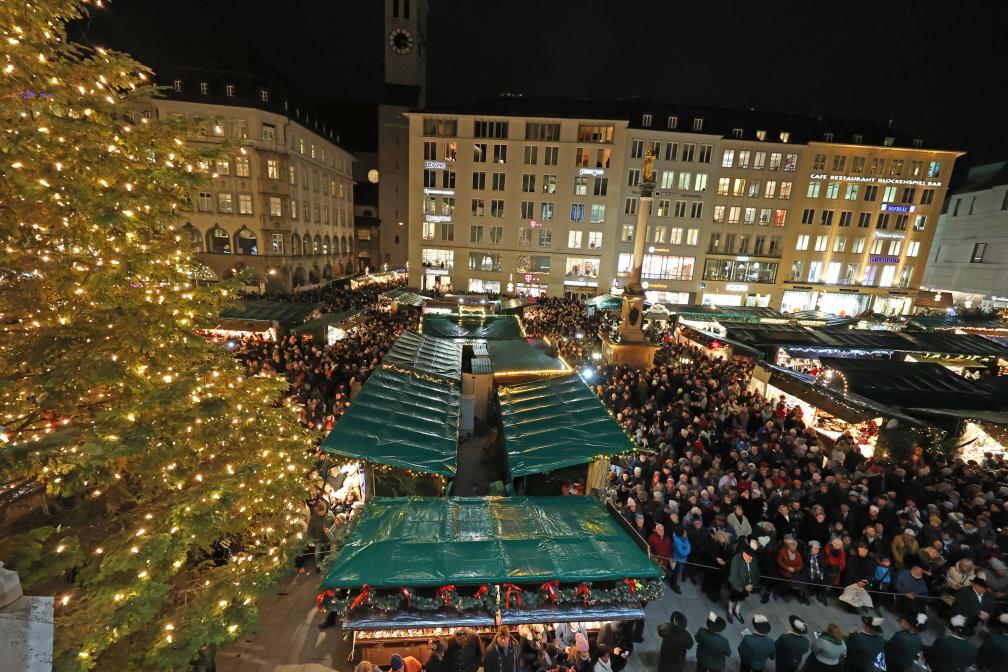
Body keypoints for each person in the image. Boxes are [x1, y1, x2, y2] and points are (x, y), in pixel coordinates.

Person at [728, 545, 760, 624]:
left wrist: (752, 584)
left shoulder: (753, 558)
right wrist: (745, 585)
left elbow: (757, 573)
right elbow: (734, 576)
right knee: (733, 598)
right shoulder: (736, 559)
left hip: (748, 586)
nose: (751, 559)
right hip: (737, 585)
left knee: (741, 598)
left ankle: (737, 611)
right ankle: (730, 612)